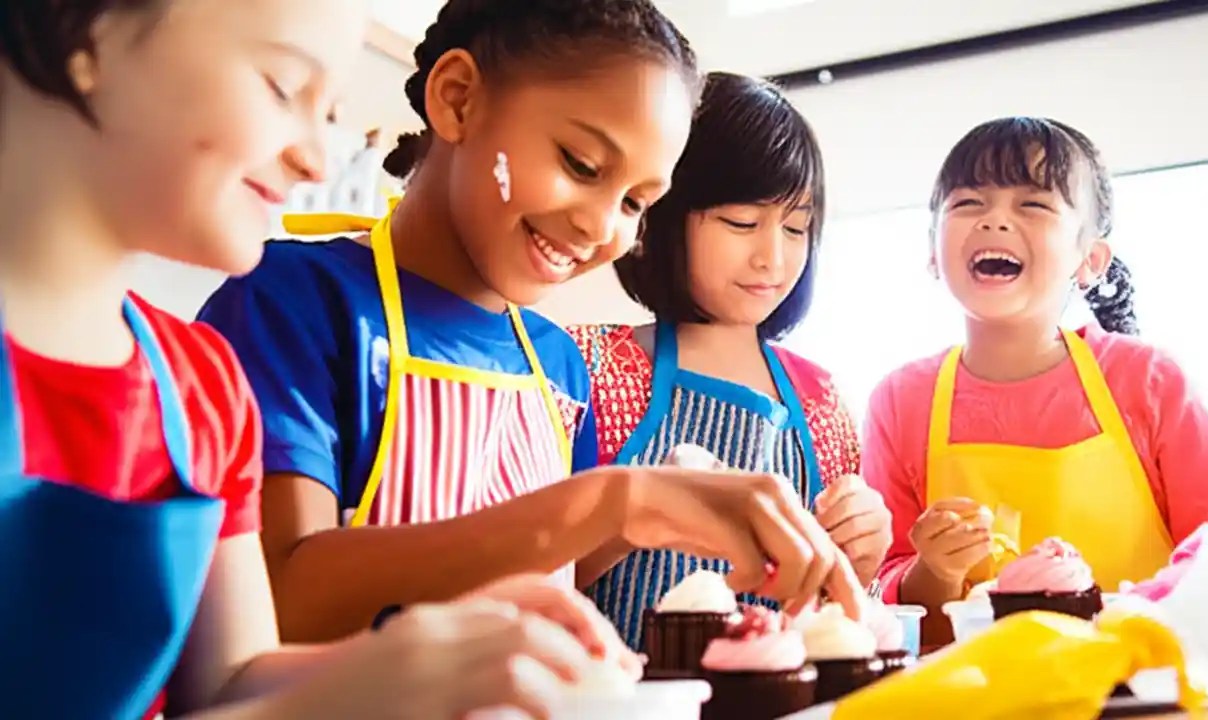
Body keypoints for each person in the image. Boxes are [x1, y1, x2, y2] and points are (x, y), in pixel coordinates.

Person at [0, 1, 657, 718]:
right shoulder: (293, 305)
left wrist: (430, 654)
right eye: (283, 86)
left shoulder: (199, 390)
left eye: (332, 111)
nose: (315, 158)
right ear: (84, 30)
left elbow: (226, 687)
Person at [198, 0, 864, 646]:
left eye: (635, 201)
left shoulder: (555, 363)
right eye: (581, 165)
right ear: (458, 98)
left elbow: (555, 591)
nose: (601, 227)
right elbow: (278, 602)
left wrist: (651, 518)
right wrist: (611, 501)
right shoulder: (295, 301)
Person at [862, 116, 1208, 644]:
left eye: (1032, 205)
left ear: (1090, 259)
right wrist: (935, 571)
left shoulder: (1148, 380)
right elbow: (887, 599)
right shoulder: (901, 400)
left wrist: (1125, 614)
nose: (994, 221)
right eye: (968, 203)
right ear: (931, 252)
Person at [566, 72, 890, 649]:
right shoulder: (590, 367)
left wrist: (857, 560)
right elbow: (536, 576)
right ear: (661, 215)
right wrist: (640, 510)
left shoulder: (822, 403)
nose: (772, 256)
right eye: (742, 222)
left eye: (796, 228)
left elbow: (826, 617)